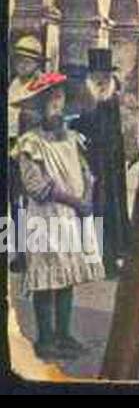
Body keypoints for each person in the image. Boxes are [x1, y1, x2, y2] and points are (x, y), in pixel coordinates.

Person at [11, 72, 104, 360]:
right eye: (50, 100)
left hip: (74, 216)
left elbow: (89, 174)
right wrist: (75, 200)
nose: (56, 105)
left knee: (67, 276)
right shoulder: (30, 143)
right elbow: (36, 186)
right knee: (45, 278)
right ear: (38, 107)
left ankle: (64, 334)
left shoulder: (74, 139)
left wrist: (86, 199)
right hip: (45, 217)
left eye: (60, 98)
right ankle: (46, 337)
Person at [70, 49, 131, 280]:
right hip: (88, 162)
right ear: (91, 74)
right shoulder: (83, 96)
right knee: (89, 207)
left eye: (105, 74)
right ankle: (89, 257)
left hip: (111, 165)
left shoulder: (112, 97)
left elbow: (117, 132)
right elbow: (75, 126)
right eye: (97, 74)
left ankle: (109, 257)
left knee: (110, 210)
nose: (101, 79)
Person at [8, 34, 47, 274]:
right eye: (19, 60)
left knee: (34, 203)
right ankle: (20, 251)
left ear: (37, 64)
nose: (22, 64)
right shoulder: (12, 84)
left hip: (32, 152)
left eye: (28, 61)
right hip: (10, 150)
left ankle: (35, 253)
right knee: (15, 204)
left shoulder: (43, 86)